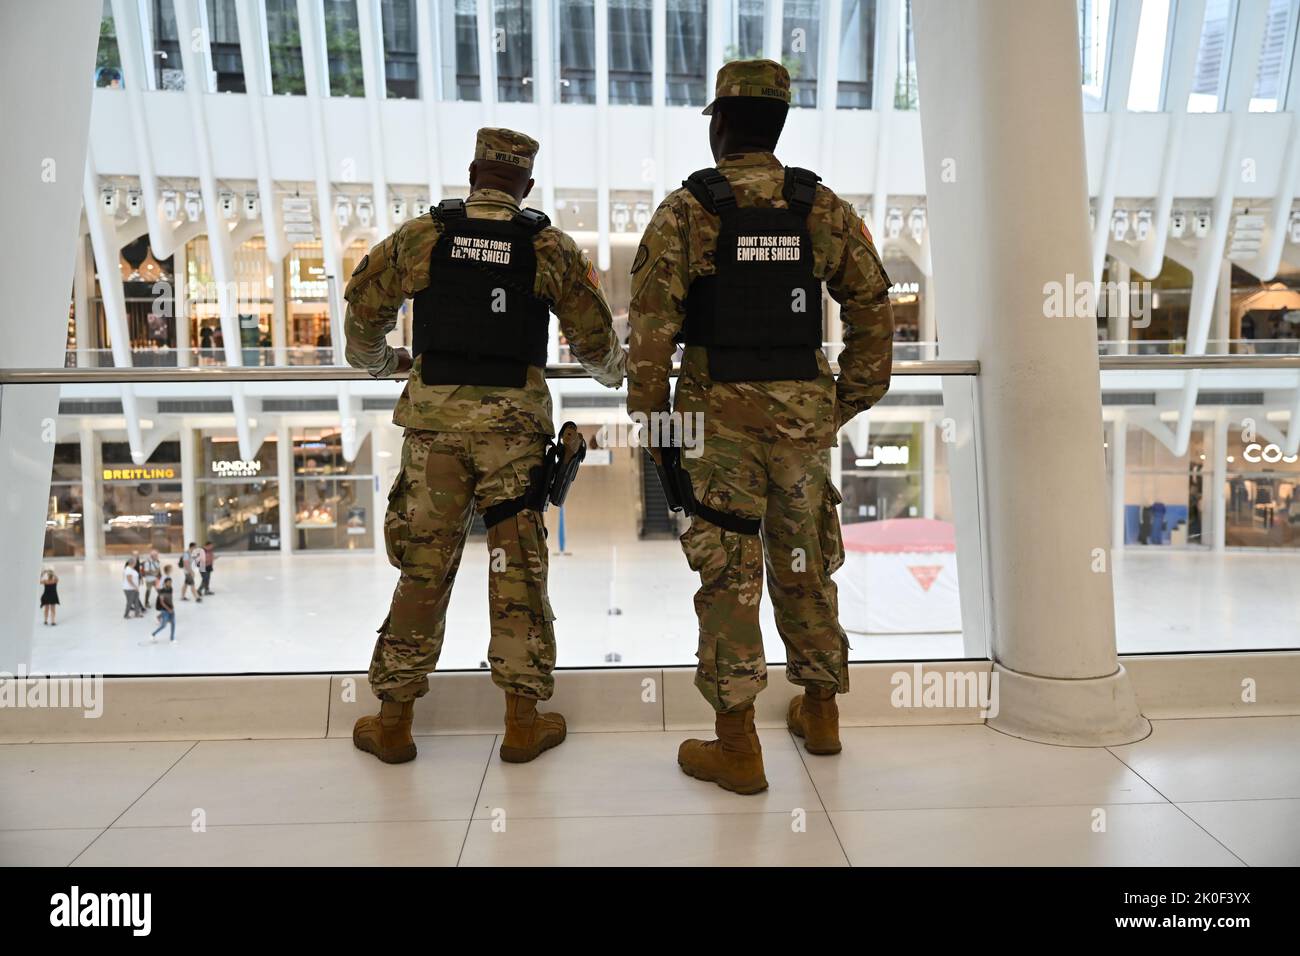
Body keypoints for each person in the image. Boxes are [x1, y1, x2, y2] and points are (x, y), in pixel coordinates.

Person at [627, 60, 894, 794]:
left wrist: (655, 426)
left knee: (729, 573)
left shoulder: (688, 209)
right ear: (778, 125)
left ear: (719, 124)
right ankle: (821, 711)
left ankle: (737, 745)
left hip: (716, 418)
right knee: (804, 557)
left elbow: (650, 332)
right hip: (804, 413)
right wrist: (847, 397)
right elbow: (873, 300)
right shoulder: (820, 206)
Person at [344, 127, 625, 765]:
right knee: (518, 571)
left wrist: (385, 362)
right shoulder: (546, 246)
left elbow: (362, 311)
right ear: (525, 185)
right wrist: (614, 376)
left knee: (424, 569)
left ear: (473, 174)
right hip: (514, 439)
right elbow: (596, 341)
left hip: (435, 431)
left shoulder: (425, 236)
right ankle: (523, 724)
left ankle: (393, 724)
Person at [151, 575, 176, 642]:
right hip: (165, 610)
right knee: (163, 625)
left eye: (171, 582)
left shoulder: (171, 589)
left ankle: (172, 638)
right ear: (165, 583)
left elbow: (170, 599)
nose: (170, 584)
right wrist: (169, 609)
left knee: (173, 623)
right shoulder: (162, 591)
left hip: (171, 609)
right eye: (168, 582)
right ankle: (153, 634)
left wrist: (172, 608)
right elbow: (162, 602)